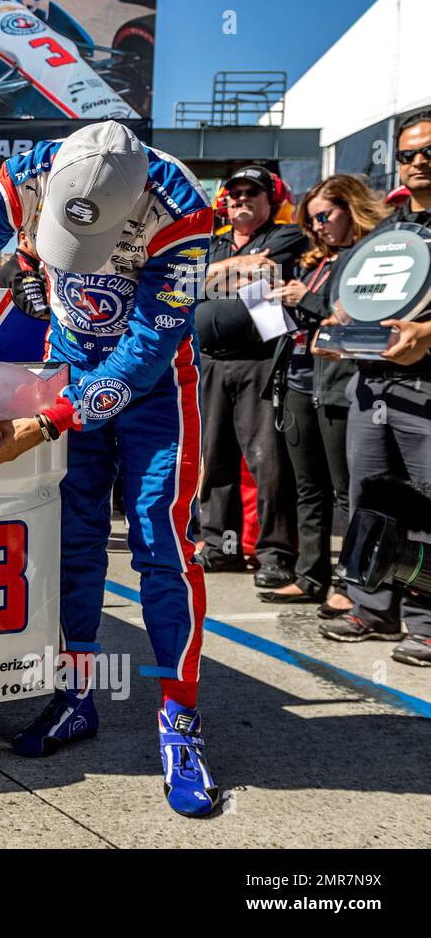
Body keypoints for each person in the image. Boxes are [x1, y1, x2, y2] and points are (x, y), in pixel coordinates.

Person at [0, 120, 218, 816]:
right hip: (66, 369)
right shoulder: (21, 176)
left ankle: (181, 722)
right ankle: (76, 696)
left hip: (158, 393)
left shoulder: (185, 207)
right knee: (73, 548)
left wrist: (46, 423)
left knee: (162, 552)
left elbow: (145, 352)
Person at [316, 110, 431, 667]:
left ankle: (427, 623)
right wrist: (339, 326)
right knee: (368, 501)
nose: (417, 163)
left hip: (425, 391)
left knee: (425, 508)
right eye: (408, 155)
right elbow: (352, 301)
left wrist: (428, 334)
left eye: (427, 151)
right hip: (372, 386)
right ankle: (371, 605)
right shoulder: (387, 234)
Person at [259, 177, 387, 614]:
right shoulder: (316, 260)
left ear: (351, 209)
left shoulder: (365, 259)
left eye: (324, 215)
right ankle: (310, 575)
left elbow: (355, 319)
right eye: (310, 219)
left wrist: (307, 300)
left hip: (338, 385)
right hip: (298, 382)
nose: (316, 226)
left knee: (346, 492)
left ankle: (350, 584)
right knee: (308, 488)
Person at [195, 165, 309, 587]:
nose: (241, 198)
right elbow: (188, 282)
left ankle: (275, 553)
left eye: (252, 192)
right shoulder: (212, 241)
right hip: (209, 361)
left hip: (262, 359)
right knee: (217, 456)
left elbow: (262, 269)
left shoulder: (285, 236)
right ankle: (222, 547)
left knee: (268, 462)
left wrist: (213, 276)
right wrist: (227, 272)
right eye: (235, 192)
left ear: (270, 201)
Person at [0, 228, 50, 320]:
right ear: (23, 237)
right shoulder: (25, 272)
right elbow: (40, 317)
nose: (45, 243)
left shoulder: (11, 266)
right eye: (39, 237)